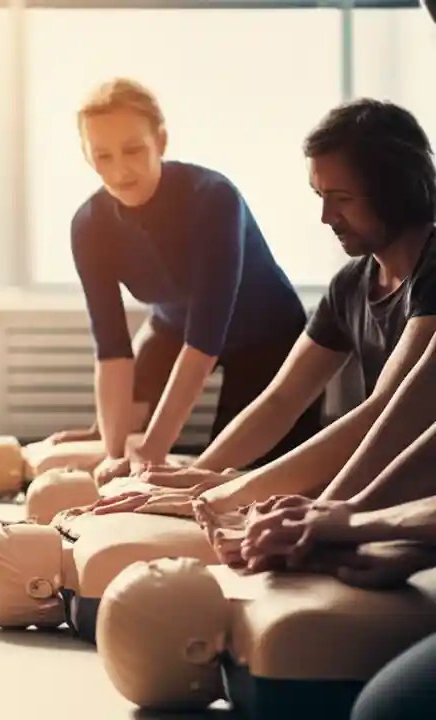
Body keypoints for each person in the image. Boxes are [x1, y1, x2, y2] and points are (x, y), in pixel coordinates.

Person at [93, 99, 436, 520]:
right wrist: (201, 476)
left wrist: (229, 490)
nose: (327, 216)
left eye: (341, 199)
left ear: (396, 191)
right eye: (320, 196)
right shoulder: (351, 284)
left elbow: (385, 413)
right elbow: (280, 400)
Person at [68, 78, 318, 485]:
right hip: (170, 329)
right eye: (102, 156)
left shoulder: (214, 198)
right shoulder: (88, 225)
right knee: (119, 437)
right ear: (86, 157)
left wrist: (152, 453)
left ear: (161, 141)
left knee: (233, 473)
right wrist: (113, 454)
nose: (119, 169)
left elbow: (203, 341)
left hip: (268, 338)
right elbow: (112, 350)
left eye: (133, 150)